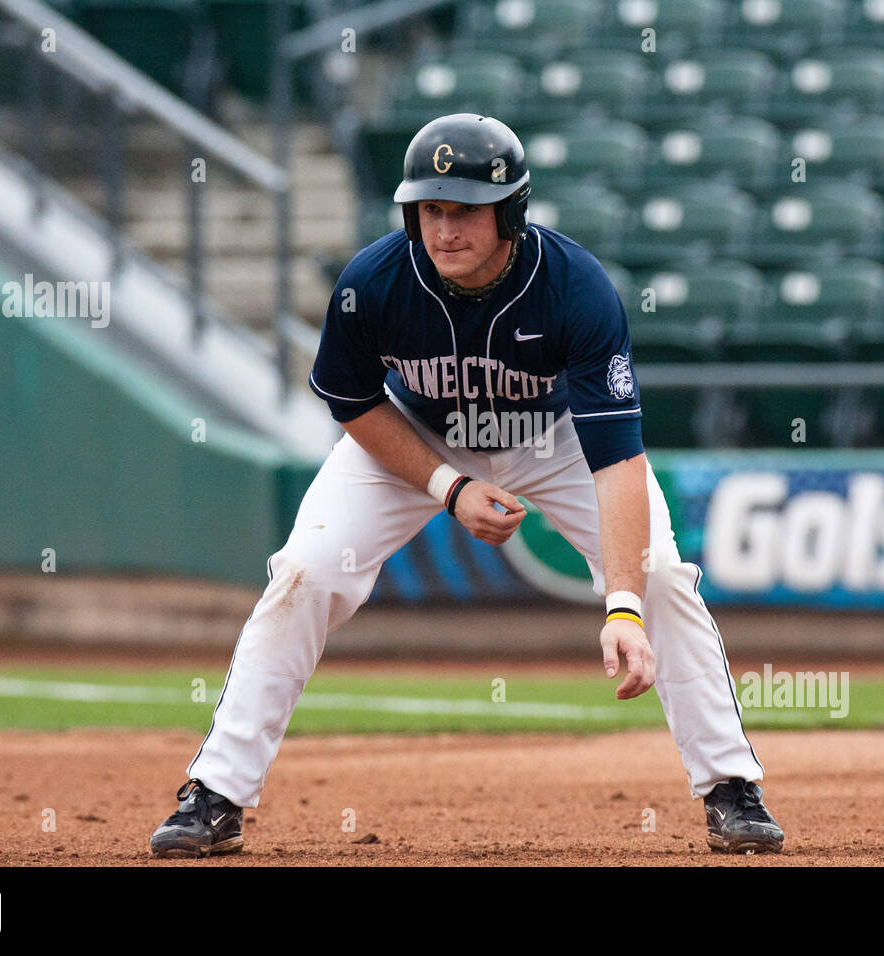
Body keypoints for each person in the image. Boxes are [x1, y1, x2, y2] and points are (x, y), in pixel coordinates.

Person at [150, 113, 784, 858]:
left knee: (662, 578)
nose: (445, 228)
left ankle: (730, 788)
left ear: (510, 213)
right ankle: (216, 793)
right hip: (415, 439)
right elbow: (353, 401)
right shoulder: (373, 284)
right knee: (305, 572)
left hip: (551, 442)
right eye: (431, 209)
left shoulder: (575, 289)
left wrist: (622, 607)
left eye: (465, 211)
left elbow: (616, 458)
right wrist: (448, 487)